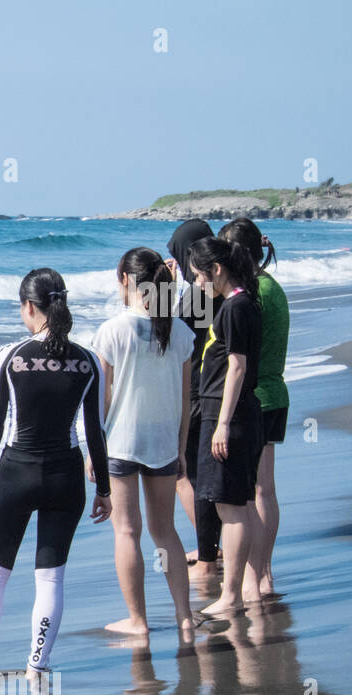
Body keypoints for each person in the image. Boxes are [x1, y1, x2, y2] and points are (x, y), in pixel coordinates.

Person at [0, 268, 111, 685]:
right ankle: (36, 667)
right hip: (66, 477)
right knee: (51, 576)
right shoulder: (88, 361)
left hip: (16, 474)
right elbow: (95, 430)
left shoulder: (11, 357)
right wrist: (105, 490)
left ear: (29, 307)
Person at [90, 248, 195, 635]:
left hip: (120, 443)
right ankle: (184, 615)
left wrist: (92, 453)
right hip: (165, 442)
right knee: (165, 531)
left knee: (127, 532)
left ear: (124, 279)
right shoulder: (181, 331)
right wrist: (182, 449)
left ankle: (138, 621)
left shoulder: (112, 331)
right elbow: (185, 399)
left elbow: (100, 402)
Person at [189, 237, 267, 616]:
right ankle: (244, 588)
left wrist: (221, 424)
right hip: (237, 413)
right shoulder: (243, 301)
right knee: (241, 504)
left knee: (231, 507)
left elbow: (237, 366)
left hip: (229, 414)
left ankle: (232, 594)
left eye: (198, 277)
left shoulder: (235, 307)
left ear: (216, 270)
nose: (197, 285)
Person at [218, 218, 288, 597]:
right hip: (275, 393)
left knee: (252, 494)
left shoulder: (253, 292)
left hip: (256, 399)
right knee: (266, 491)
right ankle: (264, 573)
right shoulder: (272, 287)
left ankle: (255, 578)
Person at [166, 220, 223, 581]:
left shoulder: (198, 294)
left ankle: (209, 549)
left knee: (184, 473)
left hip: (196, 393)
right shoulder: (216, 287)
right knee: (202, 476)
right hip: (211, 390)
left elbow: (170, 331)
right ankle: (213, 545)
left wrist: (168, 290)